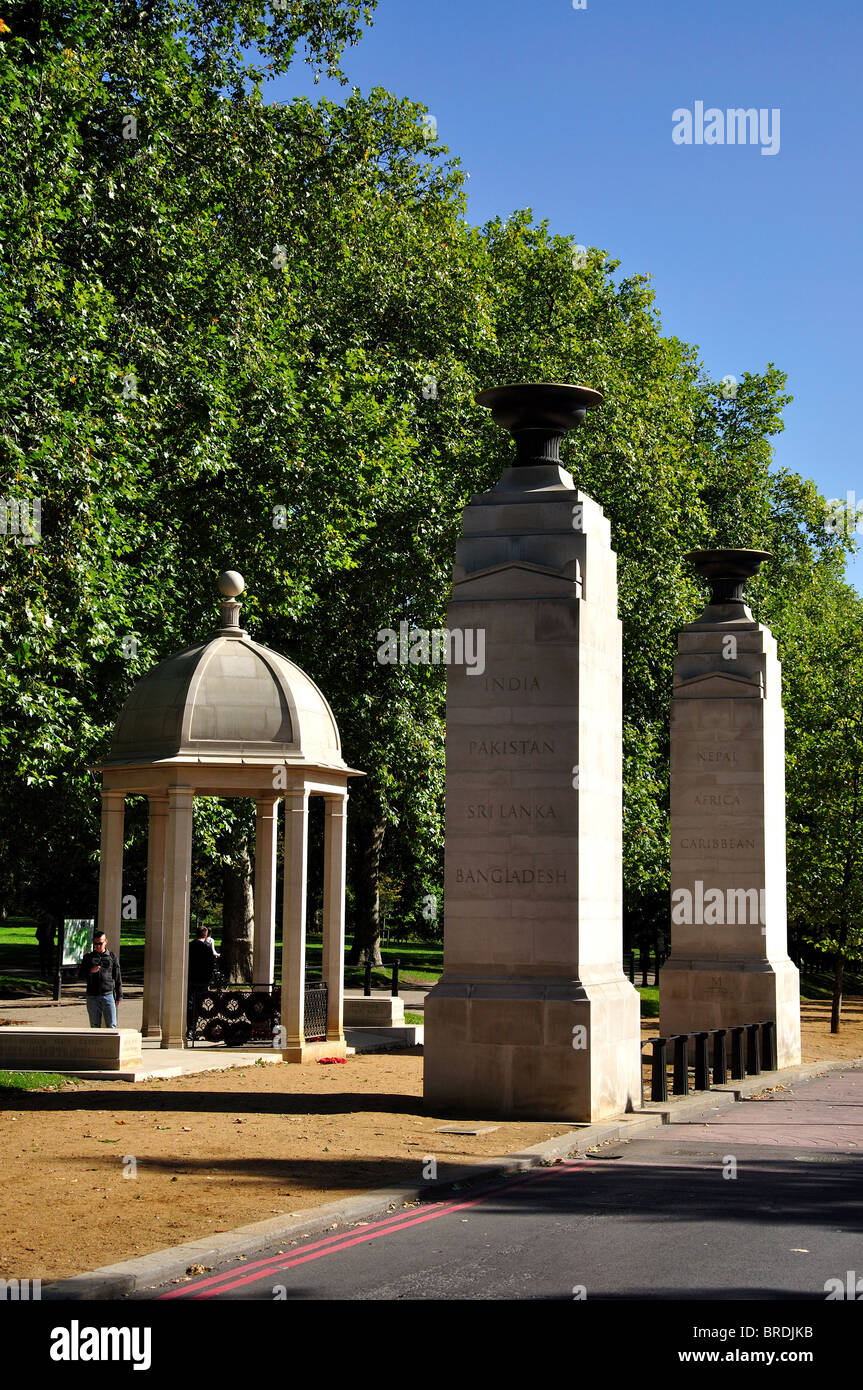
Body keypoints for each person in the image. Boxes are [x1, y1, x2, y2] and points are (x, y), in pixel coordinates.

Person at [78, 931, 122, 1028]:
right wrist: (90, 971)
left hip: (108, 994)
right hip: (92, 996)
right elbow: (81, 975)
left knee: (112, 1024)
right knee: (94, 1025)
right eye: (95, 944)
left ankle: (112, 1043)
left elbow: (117, 977)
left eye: (100, 943)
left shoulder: (112, 957)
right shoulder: (88, 957)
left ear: (106, 941)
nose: (98, 946)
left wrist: (119, 995)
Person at [187, 925, 219, 1038]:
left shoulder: (189, 946)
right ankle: (194, 1028)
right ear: (205, 936)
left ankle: (190, 1028)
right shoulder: (206, 948)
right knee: (198, 1005)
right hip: (202, 981)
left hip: (190, 979)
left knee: (190, 1004)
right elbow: (211, 966)